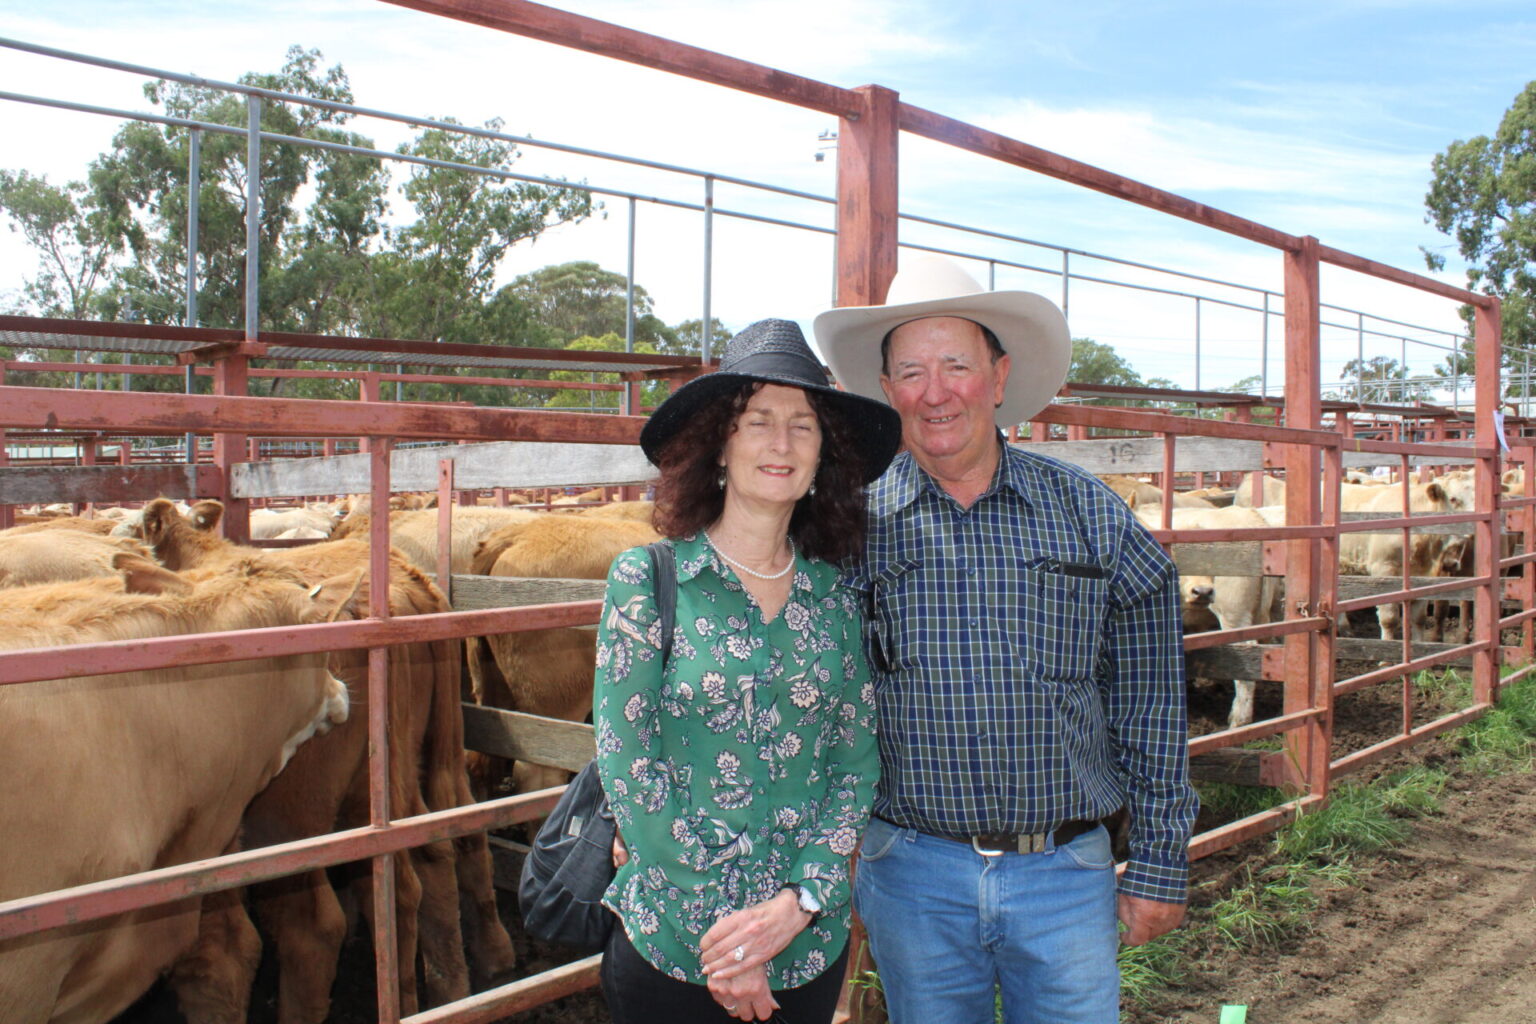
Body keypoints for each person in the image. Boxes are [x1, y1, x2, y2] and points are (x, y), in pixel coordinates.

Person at [814, 255, 1199, 1024]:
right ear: (886, 391)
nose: (935, 391)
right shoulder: (849, 529)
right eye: (911, 371)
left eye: (957, 364)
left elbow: (1152, 702)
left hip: (1063, 867)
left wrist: (1158, 862)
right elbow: (811, 696)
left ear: (998, 376)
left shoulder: (1090, 516)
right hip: (910, 869)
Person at [593, 318, 903, 1024]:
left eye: (803, 426)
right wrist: (735, 945)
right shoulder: (648, 580)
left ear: (825, 456)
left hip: (804, 947)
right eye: (758, 420)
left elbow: (855, 767)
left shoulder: (836, 598)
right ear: (721, 447)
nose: (782, 442)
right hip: (676, 946)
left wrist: (797, 905)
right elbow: (628, 763)